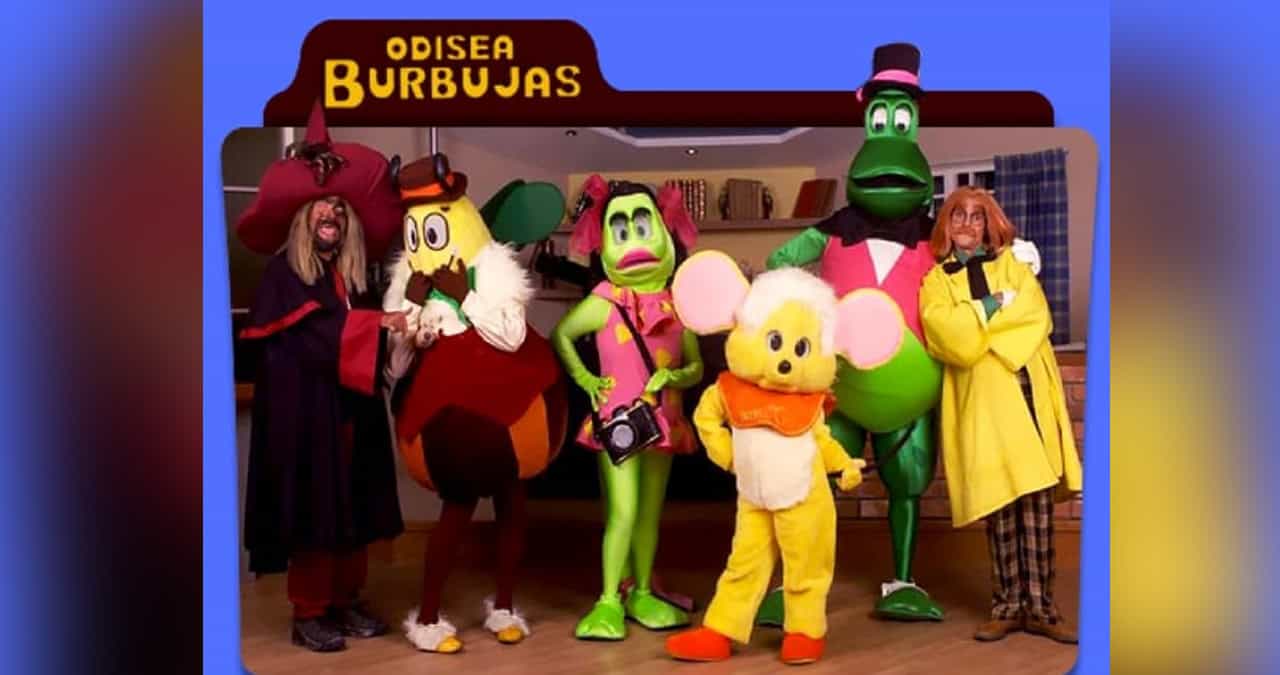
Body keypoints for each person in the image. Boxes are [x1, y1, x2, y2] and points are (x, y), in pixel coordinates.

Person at [236, 102, 408, 653]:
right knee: (314, 508)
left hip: (353, 411)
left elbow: (363, 334)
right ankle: (309, 611)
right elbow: (314, 339)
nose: (330, 212)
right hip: (308, 418)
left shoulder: (353, 280)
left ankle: (345, 599)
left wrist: (404, 332)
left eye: (339, 206)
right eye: (321, 206)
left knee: (355, 502)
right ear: (303, 218)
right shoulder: (283, 275)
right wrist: (379, 326)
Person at [919, 186, 1083, 644]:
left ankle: (1043, 609)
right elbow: (948, 336)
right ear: (946, 225)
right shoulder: (936, 283)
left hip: (1026, 394)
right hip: (982, 406)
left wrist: (977, 331)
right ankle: (1007, 607)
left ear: (989, 224)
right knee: (1001, 507)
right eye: (958, 215)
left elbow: (1035, 315)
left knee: (1036, 506)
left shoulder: (1013, 265)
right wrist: (992, 306)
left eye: (977, 216)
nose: (968, 224)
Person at [551, 177, 703, 640]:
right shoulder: (604, 302)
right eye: (621, 229)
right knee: (623, 510)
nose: (634, 240)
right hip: (618, 422)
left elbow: (696, 366)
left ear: (665, 230)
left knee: (649, 514)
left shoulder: (682, 305)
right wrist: (586, 381)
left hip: (665, 422)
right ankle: (608, 601)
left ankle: (641, 592)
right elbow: (562, 335)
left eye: (643, 225)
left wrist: (674, 378)